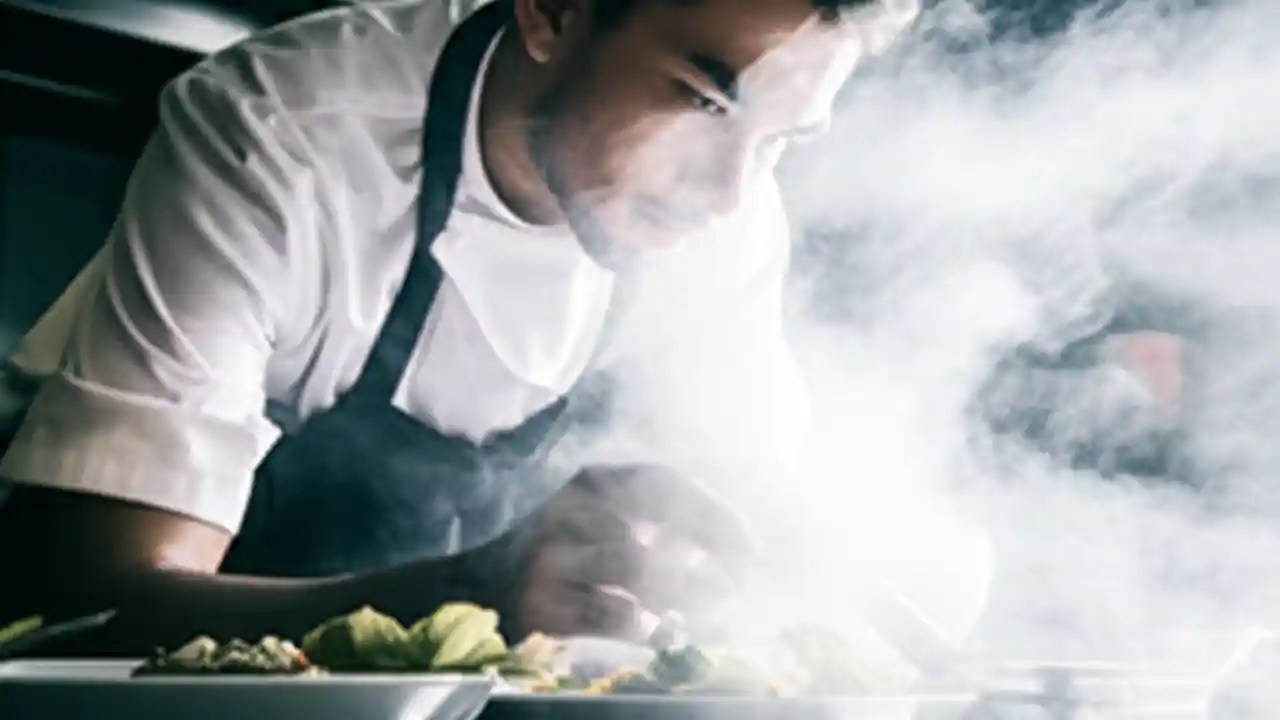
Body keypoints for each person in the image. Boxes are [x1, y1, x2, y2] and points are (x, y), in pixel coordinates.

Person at [0, 0, 918, 653]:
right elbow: (89, 599)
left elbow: (749, 536)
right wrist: (470, 589)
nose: (727, 194)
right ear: (552, 12)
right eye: (705, 102)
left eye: (783, 142)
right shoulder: (282, 131)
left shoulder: (732, 219)